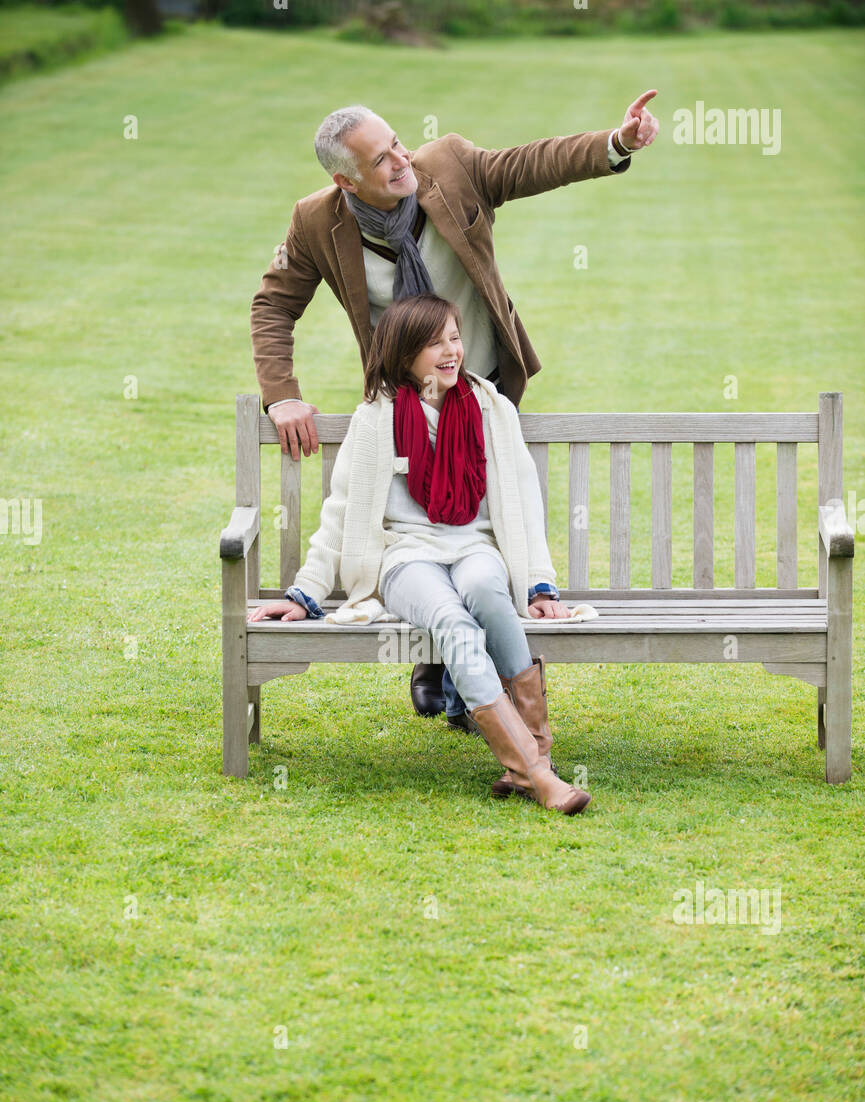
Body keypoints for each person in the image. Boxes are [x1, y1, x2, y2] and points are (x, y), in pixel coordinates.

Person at [250, 96, 659, 725]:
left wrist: (617, 143)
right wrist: (281, 394)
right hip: (404, 402)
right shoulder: (316, 223)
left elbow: (532, 164)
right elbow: (274, 306)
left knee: (477, 527)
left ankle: (488, 682)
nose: (399, 160)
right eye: (380, 159)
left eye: (397, 143)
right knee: (419, 525)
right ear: (344, 180)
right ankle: (442, 659)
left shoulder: (448, 166)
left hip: (482, 381)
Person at [250, 293, 593, 817]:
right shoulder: (378, 417)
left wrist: (540, 585)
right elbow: (341, 512)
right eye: (435, 343)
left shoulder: (490, 407)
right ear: (405, 353)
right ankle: (538, 774)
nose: (451, 351)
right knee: (452, 624)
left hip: (476, 546)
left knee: (486, 592)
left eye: (455, 337)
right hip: (406, 557)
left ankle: (532, 757)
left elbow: (524, 501)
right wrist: (304, 593)